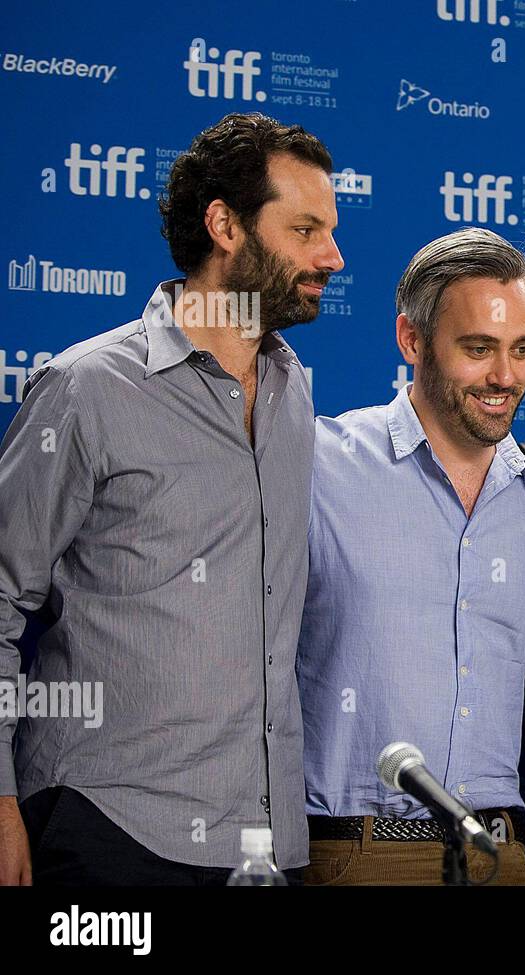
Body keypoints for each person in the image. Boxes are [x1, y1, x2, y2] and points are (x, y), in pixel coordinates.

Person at [0, 112, 343, 885]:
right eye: (307, 229)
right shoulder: (86, 389)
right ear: (225, 224)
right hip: (111, 830)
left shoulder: (295, 394)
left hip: (264, 847)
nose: (333, 255)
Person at [297, 228, 525, 885]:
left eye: (520, 349)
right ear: (411, 340)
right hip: (360, 851)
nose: (505, 376)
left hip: (500, 856)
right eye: (477, 348)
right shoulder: (320, 464)